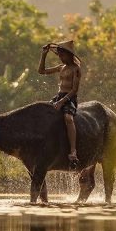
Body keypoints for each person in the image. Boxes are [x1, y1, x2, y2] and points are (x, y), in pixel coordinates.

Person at [38, 40, 81, 168]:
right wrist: (44, 54)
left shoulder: (76, 69)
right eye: (59, 55)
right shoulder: (60, 67)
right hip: (58, 96)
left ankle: (73, 150)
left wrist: (62, 102)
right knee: (43, 114)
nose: (61, 57)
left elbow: (74, 90)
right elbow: (41, 71)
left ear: (69, 55)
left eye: (63, 55)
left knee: (68, 118)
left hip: (69, 98)